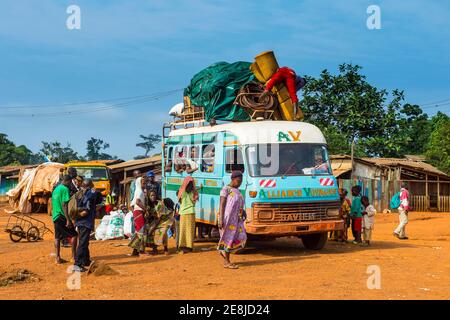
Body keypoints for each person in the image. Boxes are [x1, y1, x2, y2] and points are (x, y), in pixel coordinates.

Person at [217, 171, 247, 269]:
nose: (240, 183)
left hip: (236, 220)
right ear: (233, 179)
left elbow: (239, 203)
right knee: (228, 239)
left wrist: (244, 212)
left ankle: (223, 252)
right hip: (227, 219)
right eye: (238, 181)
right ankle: (227, 261)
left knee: (241, 237)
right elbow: (222, 204)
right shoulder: (226, 189)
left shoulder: (237, 191)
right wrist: (221, 219)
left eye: (241, 181)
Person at [52, 175, 78, 264]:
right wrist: (68, 219)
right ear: (67, 181)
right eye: (70, 182)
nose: (71, 184)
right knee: (74, 235)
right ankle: (73, 257)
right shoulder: (65, 189)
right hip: (62, 216)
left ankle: (57, 258)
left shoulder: (56, 189)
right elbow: (64, 205)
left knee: (57, 237)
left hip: (55, 216)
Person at [73, 179, 97, 272]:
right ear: (90, 185)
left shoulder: (80, 194)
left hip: (80, 221)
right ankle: (77, 264)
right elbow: (95, 195)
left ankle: (86, 260)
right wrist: (93, 189)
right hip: (85, 222)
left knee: (85, 241)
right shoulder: (90, 193)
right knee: (83, 242)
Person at [145, 191, 175, 255]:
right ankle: (154, 248)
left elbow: (159, 218)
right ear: (149, 197)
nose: (153, 197)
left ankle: (166, 248)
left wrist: (153, 228)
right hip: (157, 221)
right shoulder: (150, 205)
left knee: (163, 232)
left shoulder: (160, 204)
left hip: (165, 221)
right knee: (150, 231)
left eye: (154, 195)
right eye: (151, 195)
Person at [128, 176, 148, 257]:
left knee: (138, 232)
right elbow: (137, 202)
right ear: (139, 183)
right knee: (141, 232)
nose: (145, 184)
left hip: (137, 212)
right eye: (143, 183)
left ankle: (135, 251)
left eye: (145, 183)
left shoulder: (139, 191)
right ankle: (141, 251)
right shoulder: (139, 191)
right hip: (139, 212)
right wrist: (145, 210)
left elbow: (132, 204)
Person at [177, 176, 198, 254]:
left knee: (182, 230)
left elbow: (179, 199)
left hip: (183, 213)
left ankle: (182, 247)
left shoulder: (181, 191)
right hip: (191, 212)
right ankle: (189, 247)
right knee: (190, 231)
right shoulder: (194, 192)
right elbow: (195, 200)